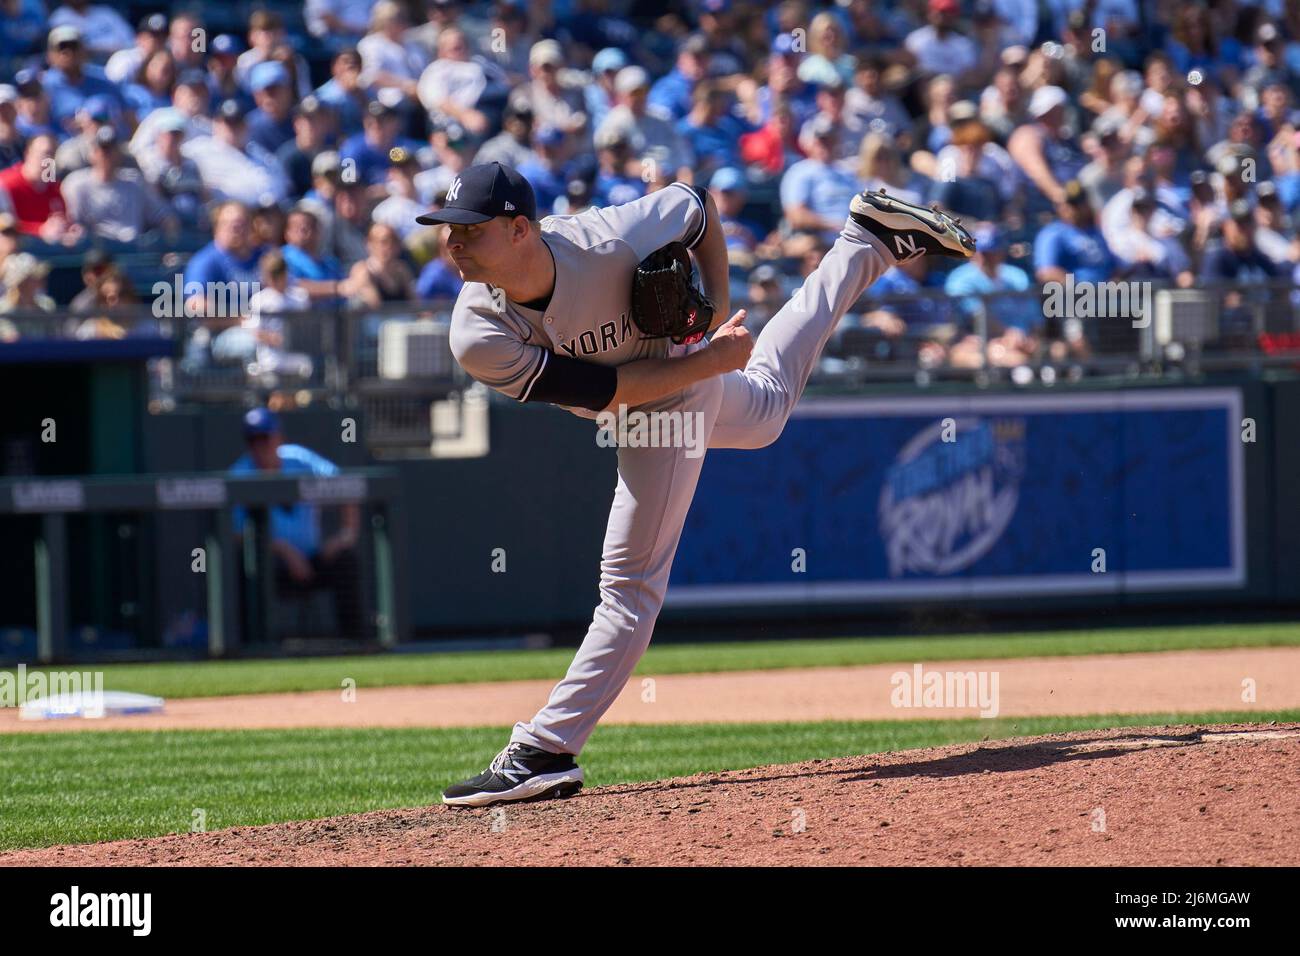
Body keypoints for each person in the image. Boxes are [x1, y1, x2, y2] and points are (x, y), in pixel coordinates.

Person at [421, 161, 973, 805]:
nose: (451, 242)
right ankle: (866, 244)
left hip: (671, 389)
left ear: (520, 229)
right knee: (764, 410)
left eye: (468, 228)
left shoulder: (605, 239)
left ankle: (547, 747)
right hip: (642, 392)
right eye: (446, 228)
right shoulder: (477, 332)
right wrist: (713, 360)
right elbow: (608, 392)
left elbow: (698, 206)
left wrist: (712, 318)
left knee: (629, 585)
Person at [230, 408, 363, 638]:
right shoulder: (240, 473)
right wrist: (283, 550)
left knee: (345, 560)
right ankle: (256, 645)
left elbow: (345, 486)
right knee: (247, 566)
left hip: (313, 557)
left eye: (265, 438)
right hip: (271, 564)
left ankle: (356, 644)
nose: (260, 446)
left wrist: (346, 535)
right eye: (253, 440)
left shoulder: (298, 459)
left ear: (278, 437)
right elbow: (237, 534)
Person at [61, 126, 177, 243]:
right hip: (98, 252)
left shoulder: (134, 181)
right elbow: (73, 224)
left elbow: (161, 214)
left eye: (113, 149)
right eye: (104, 150)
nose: (108, 155)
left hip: (134, 250)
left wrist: (170, 236)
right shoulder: (77, 184)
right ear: (92, 154)